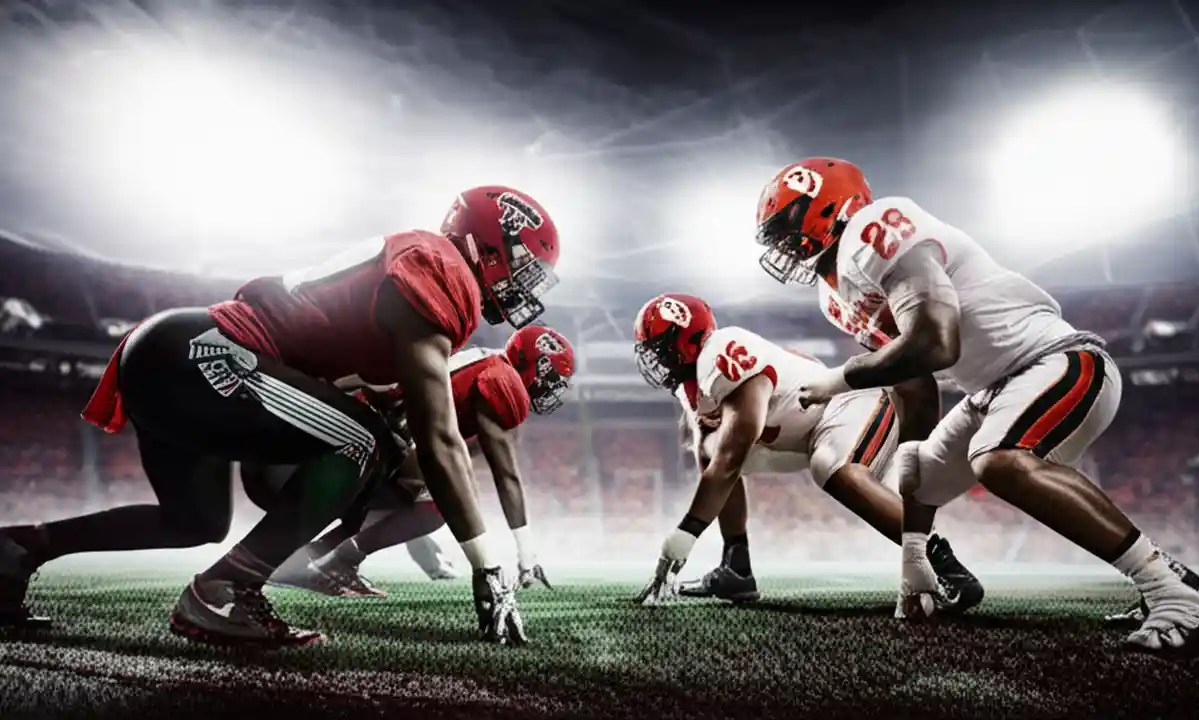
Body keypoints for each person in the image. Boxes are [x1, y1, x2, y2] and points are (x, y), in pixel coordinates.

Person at [0, 186, 560, 648]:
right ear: (481, 245)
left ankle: (20, 548)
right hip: (207, 351)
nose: (524, 288)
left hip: (178, 355)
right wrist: (488, 567)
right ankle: (226, 589)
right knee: (365, 443)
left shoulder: (419, 272)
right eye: (524, 269)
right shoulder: (442, 267)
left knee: (195, 521)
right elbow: (440, 438)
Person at [752, 157, 1199, 662]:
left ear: (831, 207)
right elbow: (913, 382)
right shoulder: (835, 297)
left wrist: (838, 378)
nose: (784, 247)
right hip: (990, 393)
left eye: (788, 228)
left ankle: (1173, 593)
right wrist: (913, 558)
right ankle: (935, 580)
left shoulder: (875, 226)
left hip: (1057, 360)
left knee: (998, 459)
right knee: (914, 474)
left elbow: (936, 344)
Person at [630, 293, 982, 609]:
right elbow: (712, 457)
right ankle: (736, 566)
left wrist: (683, 538)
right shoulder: (689, 386)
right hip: (803, 432)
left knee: (828, 466)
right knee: (709, 445)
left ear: (689, 340)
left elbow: (733, 454)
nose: (656, 360)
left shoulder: (722, 351)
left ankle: (944, 564)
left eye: (660, 348)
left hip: (844, 406)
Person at [252, 325, 574, 597]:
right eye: (552, 379)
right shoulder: (501, 378)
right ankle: (336, 560)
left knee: (410, 497)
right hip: (372, 427)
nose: (551, 390)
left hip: (375, 424)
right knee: (440, 500)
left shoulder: (487, 362)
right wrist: (526, 553)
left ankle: (304, 560)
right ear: (533, 363)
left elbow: (453, 439)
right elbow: (506, 476)